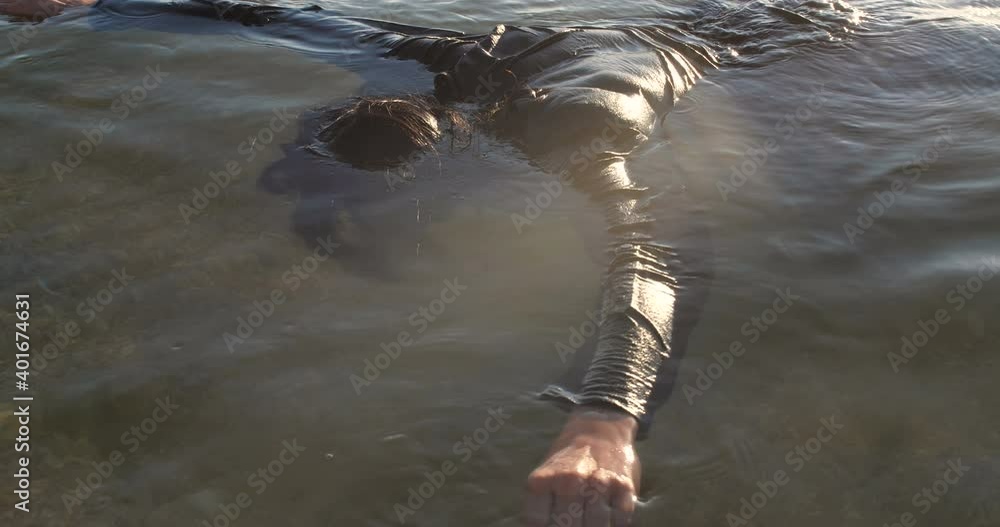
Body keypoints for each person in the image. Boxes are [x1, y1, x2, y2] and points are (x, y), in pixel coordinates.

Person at [3, 0, 857, 524]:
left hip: (796, 31)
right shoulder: (440, 58)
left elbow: (654, 251)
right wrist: (96, 6)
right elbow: (265, 13)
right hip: (646, 28)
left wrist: (603, 420)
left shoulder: (580, 133)